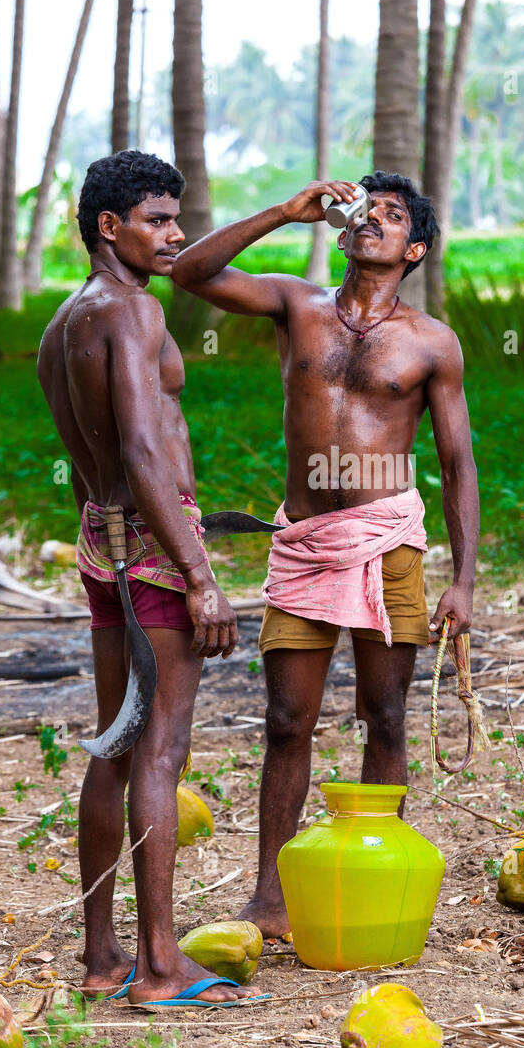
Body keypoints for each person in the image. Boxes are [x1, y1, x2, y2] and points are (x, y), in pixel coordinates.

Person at [171, 171, 479, 936]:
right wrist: (284, 211)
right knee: (285, 720)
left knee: (386, 717)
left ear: (412, 249)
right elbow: (189, 273)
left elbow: (458, 463)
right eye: (365, 207)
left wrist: (465, 582)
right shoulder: (297, 305)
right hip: (304, 544)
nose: (372, 217)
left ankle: (375, 877)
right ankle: (271, 898)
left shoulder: (432, 342)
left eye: (392, 214)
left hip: (388, 544)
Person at [37, 149, 259, 1008]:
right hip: (156, 551)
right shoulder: (129, 312)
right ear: (109, 226)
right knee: (160, 747)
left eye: (176, 218)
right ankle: (162, 967)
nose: (175, 234)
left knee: (115, 745)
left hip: (105, 540)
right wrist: (199, 575)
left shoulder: (68, 319)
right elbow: (137, 446)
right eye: (158, 220)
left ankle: (103, 959)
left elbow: (103, 458)